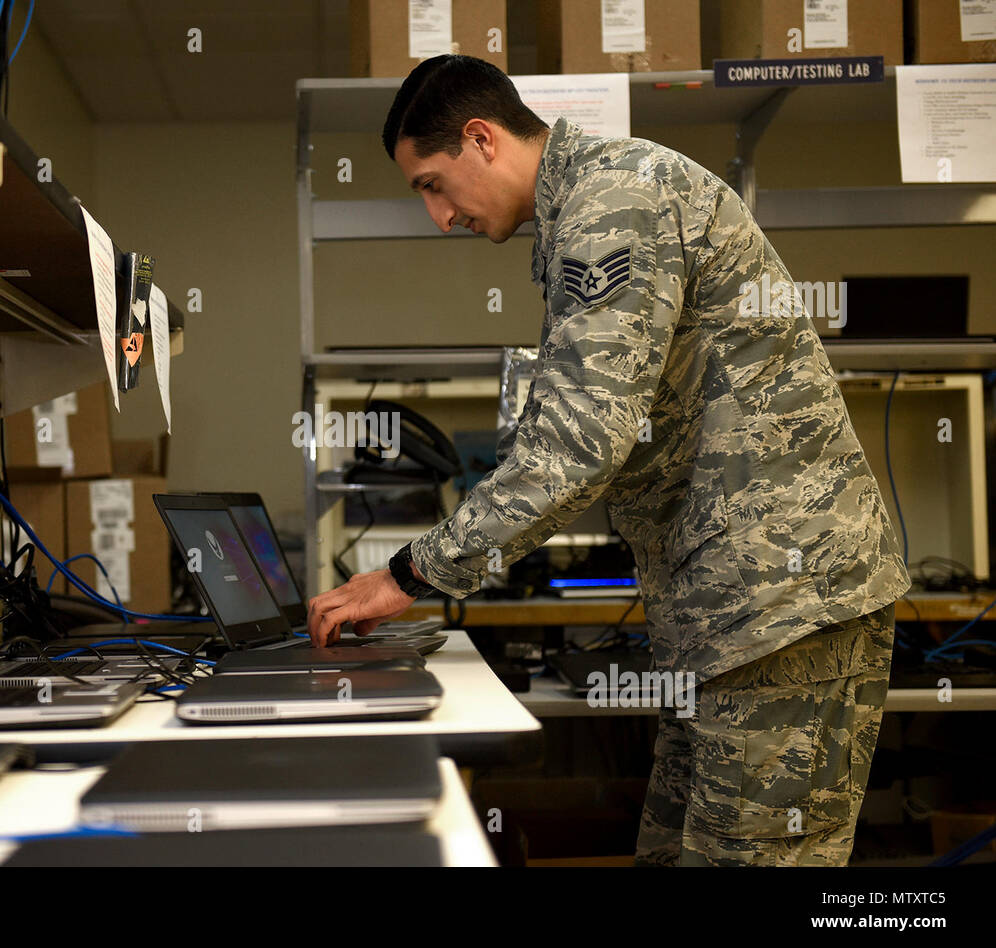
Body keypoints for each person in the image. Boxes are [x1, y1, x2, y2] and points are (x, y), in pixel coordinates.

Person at [305, 55, 910, 866]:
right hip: (726, 616)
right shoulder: (582, 211)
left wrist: (406, 575)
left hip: (783, 606)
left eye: (431, 184)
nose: (439, 218)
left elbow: (577, 447)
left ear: (480, 139)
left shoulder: (613, 202)